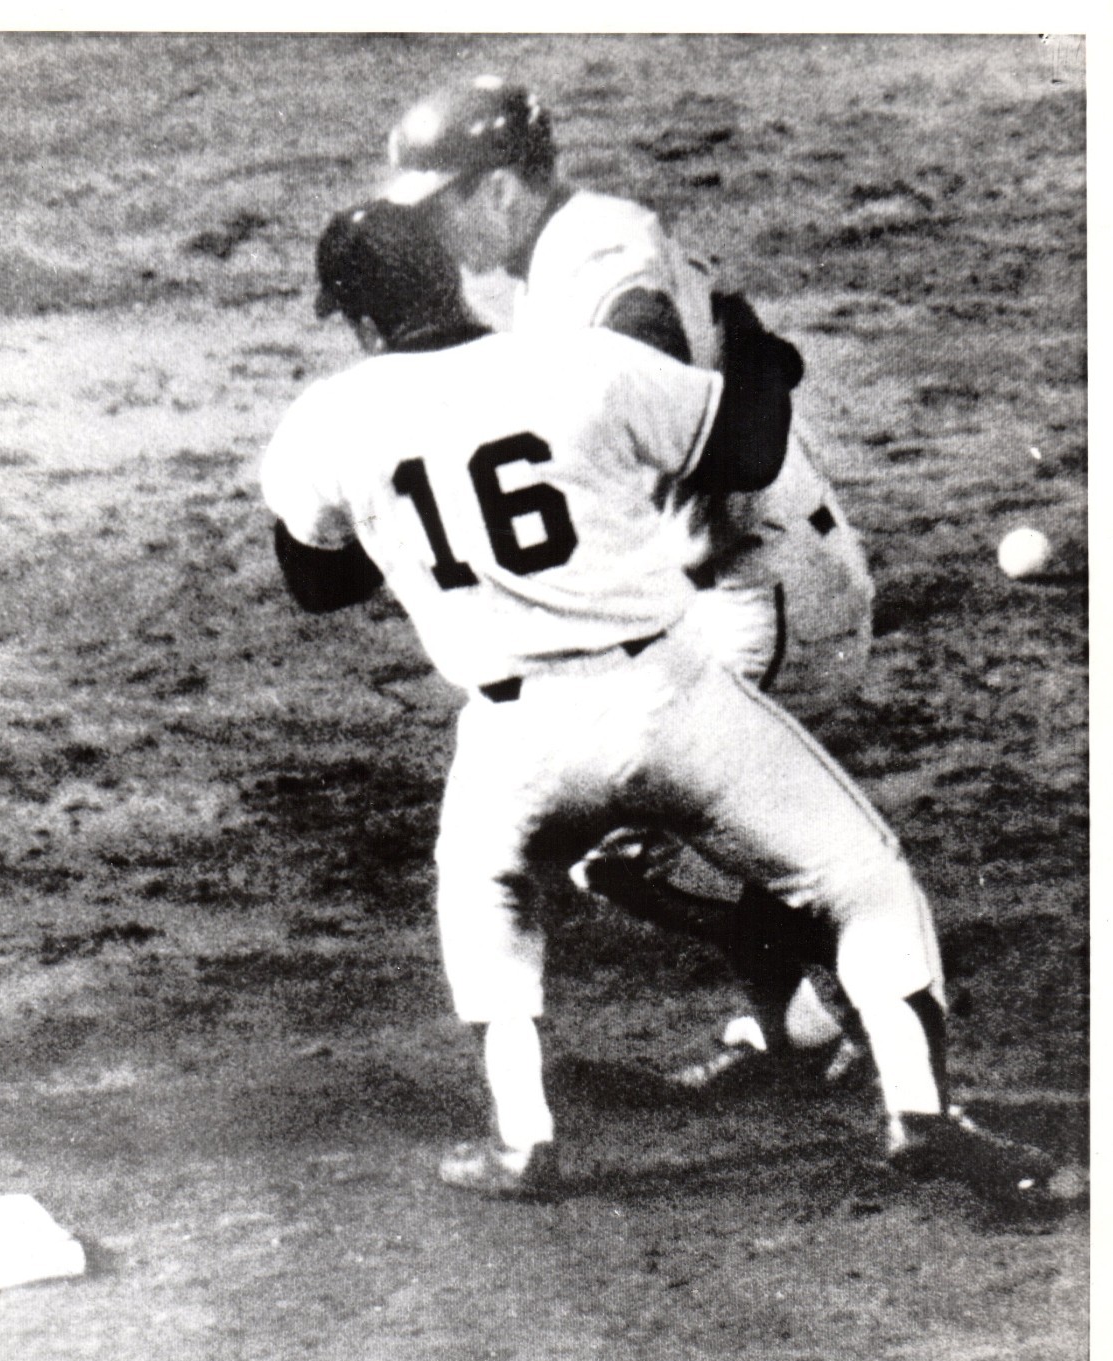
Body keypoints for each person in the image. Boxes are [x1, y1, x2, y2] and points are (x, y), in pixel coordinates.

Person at [258, 198, 1057, 1215]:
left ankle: (522, 1135)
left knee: (485, 891)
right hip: (666, 701)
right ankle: (920, 1108)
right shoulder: (583, 365)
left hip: (511, 737)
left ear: (357, 319)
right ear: (455, 278)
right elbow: (752, 447)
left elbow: (317, 583)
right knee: (866, 883)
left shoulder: (329, 420)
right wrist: (757, 345)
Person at [381, 74, 874, 1088]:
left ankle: (864, 988)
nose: (436, 232)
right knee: (650, 834)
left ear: (506, 188)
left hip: (762, 588)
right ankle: (798, 1030)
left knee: (630, 846)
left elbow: (644, 366)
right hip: (713, 586)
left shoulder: (601, 251)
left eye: (445, 205)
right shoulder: (540, 263)